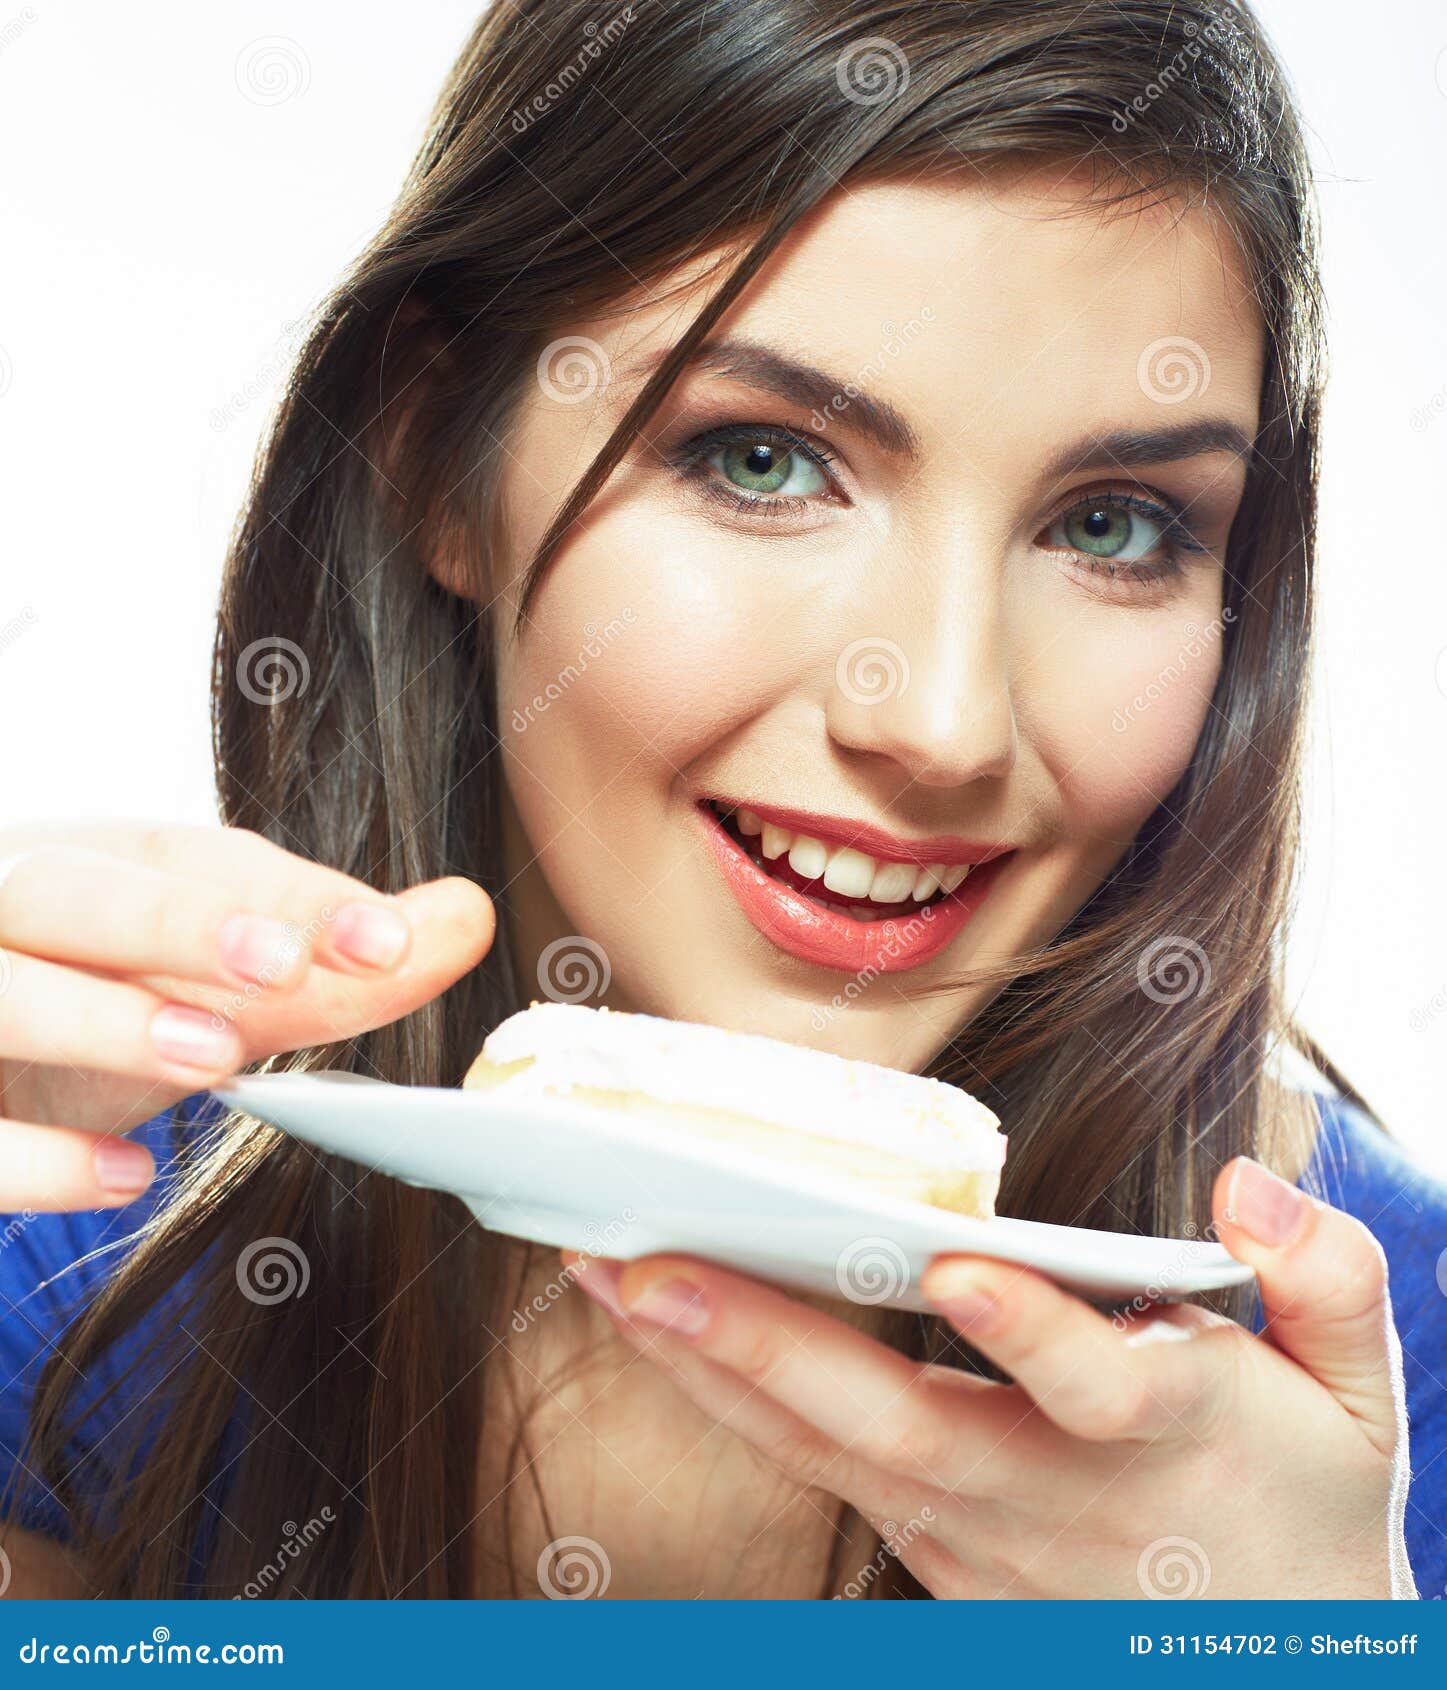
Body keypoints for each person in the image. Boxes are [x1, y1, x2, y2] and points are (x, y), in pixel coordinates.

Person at [1, 0, 1441, 1599]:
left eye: (1112, 525)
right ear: (434, 454)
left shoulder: (1381, 1375)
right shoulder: (75, 1247)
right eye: (762, 460)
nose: (944, 721)